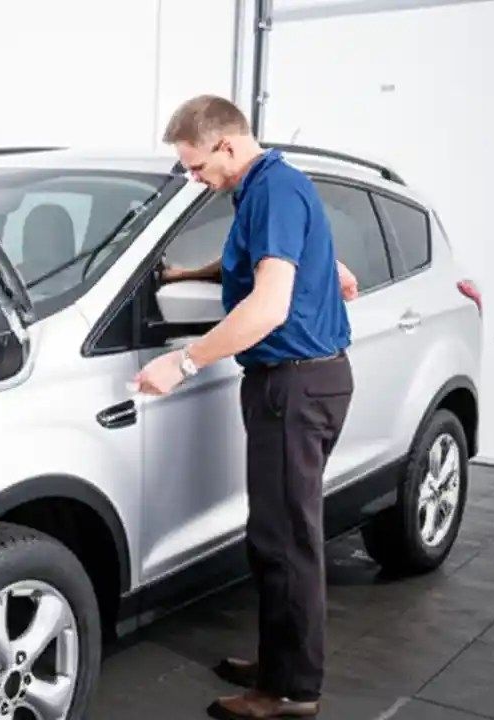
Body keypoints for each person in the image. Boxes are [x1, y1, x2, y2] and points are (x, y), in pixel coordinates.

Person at [133, 95, 357, 720]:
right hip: (300, 383)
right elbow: (259, 263)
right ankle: (279, 660)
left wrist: (181, 364)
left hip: (294, 386)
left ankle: (291, 692)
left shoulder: (273, 191)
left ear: (227, 145)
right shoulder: (266, 186)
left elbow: (267, 308)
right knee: (276, 536)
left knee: (286, 543)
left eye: (196, 166)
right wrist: (182, 275)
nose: (194, 179)